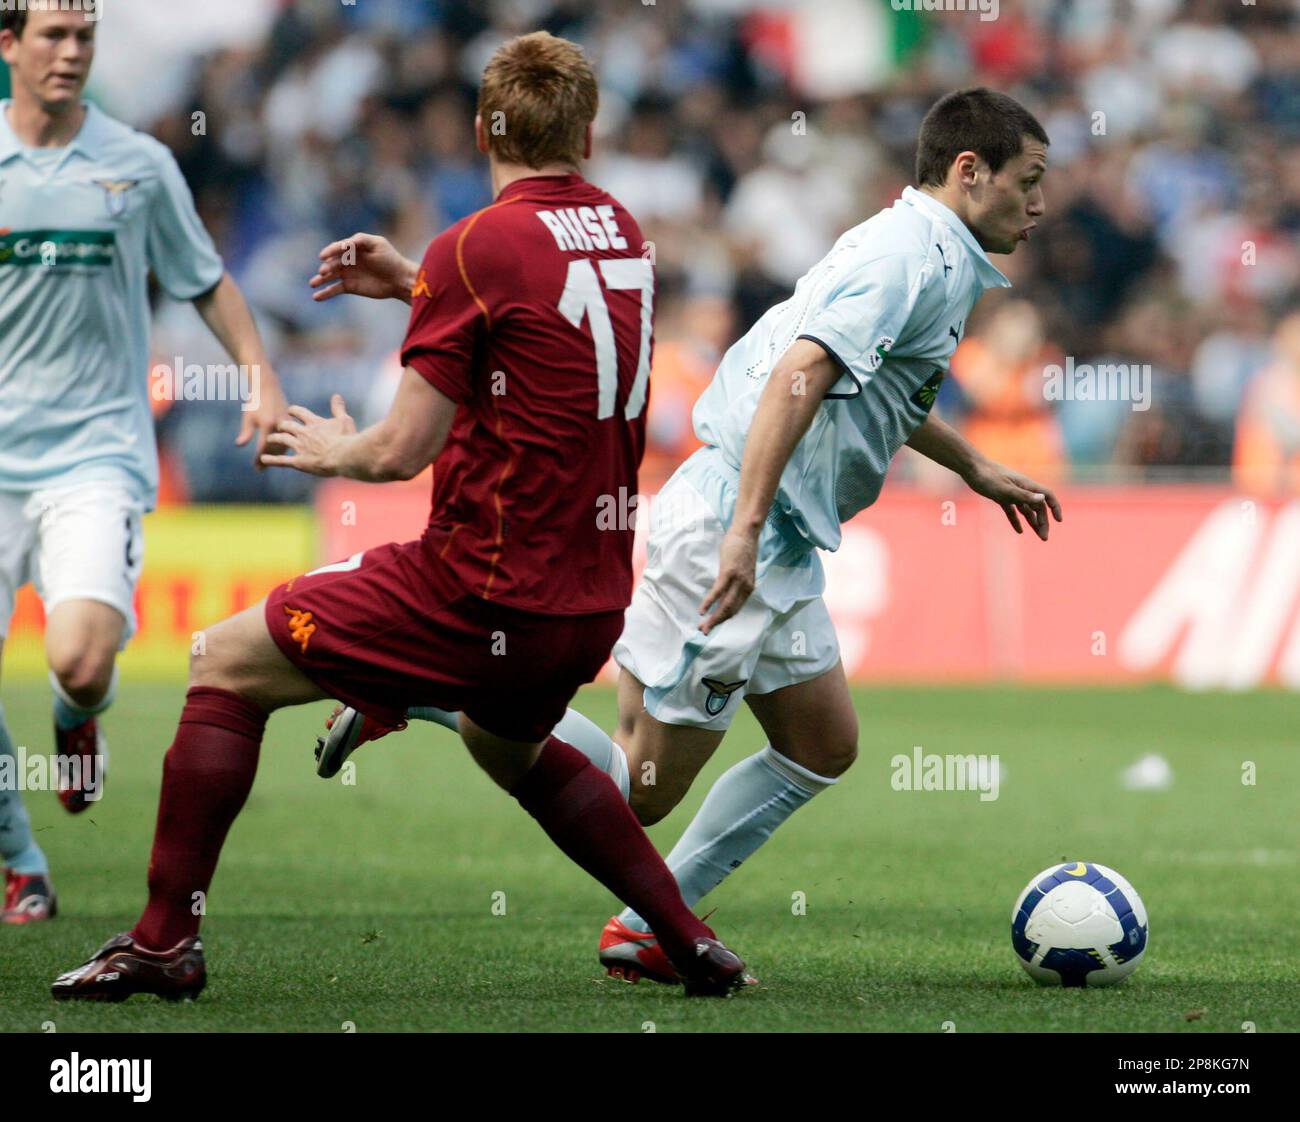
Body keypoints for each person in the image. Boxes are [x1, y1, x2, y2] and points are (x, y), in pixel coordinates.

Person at [312, 87, 1062, 987]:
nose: (1041, 202)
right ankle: (430, 687)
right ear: (969, 171)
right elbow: (800, 372)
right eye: (1030, 180)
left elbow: (866, 387)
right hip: (734, 526)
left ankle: (643, 924)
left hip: (774, 535)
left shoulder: (927, 252)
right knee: (637, 795)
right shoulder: (909, 257)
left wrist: (971, 466)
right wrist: (744, 531)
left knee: (821, 746)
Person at [50, 31, 746, 1001]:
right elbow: (548, 307)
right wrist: (422, 275)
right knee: (507, 745)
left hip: (479, 586)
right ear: (587, 132)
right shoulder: (625, 236)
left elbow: (399, 451)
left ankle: (166, 939)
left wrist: (331, 447)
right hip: (584, 601)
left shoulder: (475, 246)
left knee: (222, 663)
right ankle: (686, 938)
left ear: (479, 129)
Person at [0, 5, 286, 924]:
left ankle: (76, 714)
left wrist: (260, 378)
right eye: (52, 34)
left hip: (93, 457)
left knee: (80, 660)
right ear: (7, 45)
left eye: (84, 34)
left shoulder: (137, 163)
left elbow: (205, 280)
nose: (72, 50)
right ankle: (23, 864)